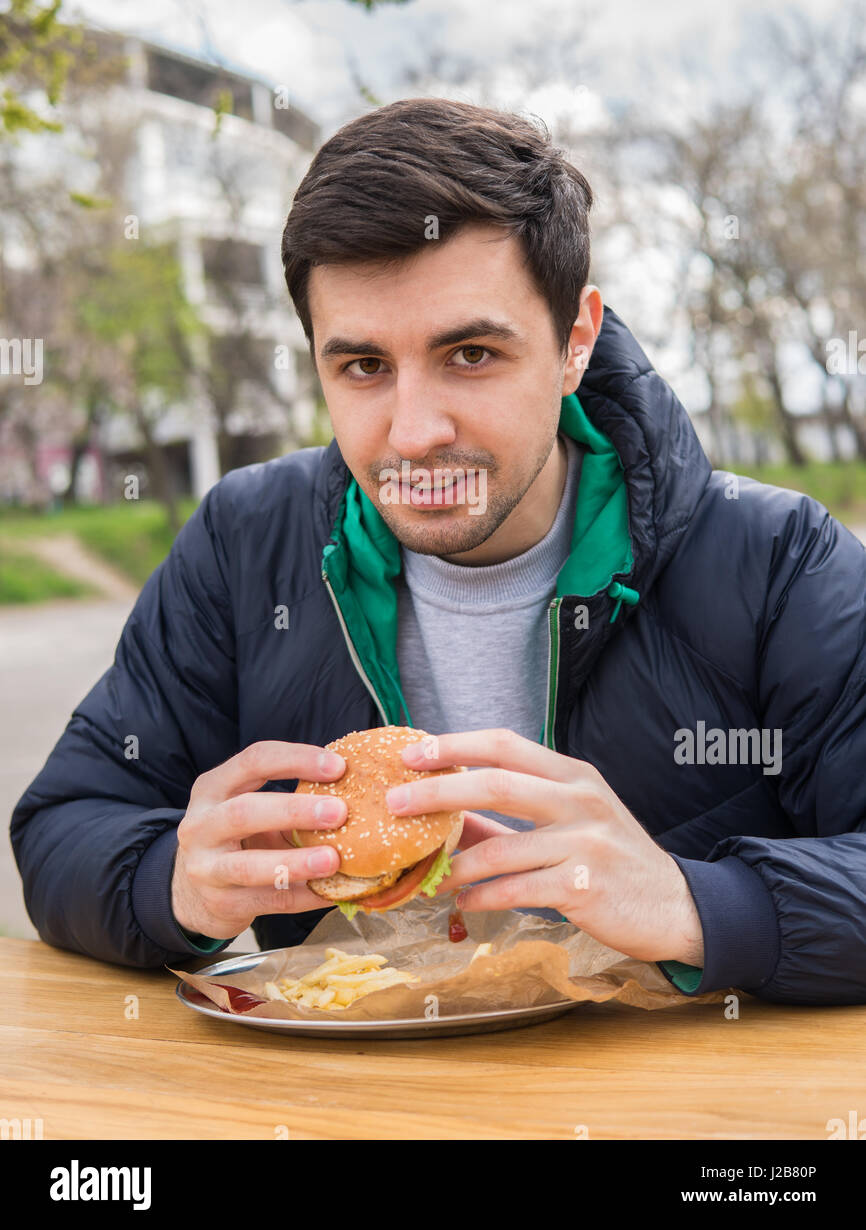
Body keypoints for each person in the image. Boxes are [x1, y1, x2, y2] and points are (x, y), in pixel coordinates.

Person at [11, 98, 866, 1003]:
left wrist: (695, 902)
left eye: (469, 353)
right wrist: (173, 885)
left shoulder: (778, 562)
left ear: (575, 340)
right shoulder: (243, 542)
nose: (413, 433)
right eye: (364, 367)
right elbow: (65, 827)